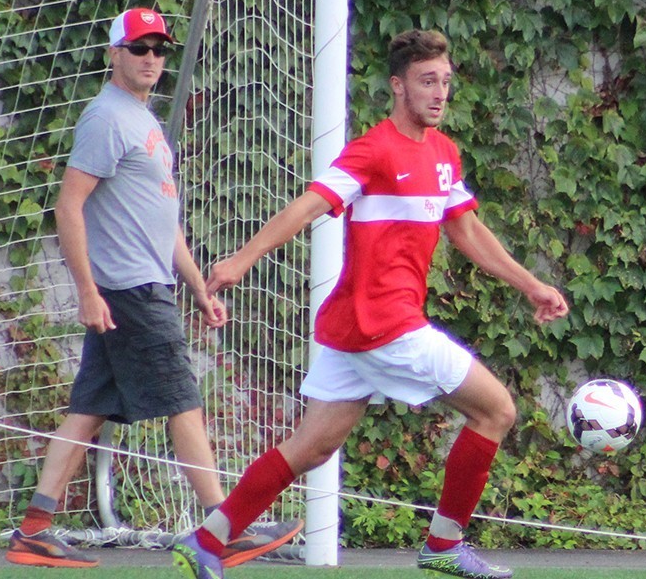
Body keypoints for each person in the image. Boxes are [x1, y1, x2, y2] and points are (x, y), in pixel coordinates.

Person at [170, 29, 568, 579]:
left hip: (351, 329)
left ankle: (207, 543)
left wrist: (531, 285)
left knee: (311, 448)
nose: (440, 93)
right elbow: (308, 207)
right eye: (428, 81)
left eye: (446, 82)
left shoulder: (444, 154)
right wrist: (241, 260)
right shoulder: (374, 150)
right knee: (497, 410)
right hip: (386, 326)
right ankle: (445, 545)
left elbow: (468, 232)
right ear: (398, 86)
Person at [5, 8, 302, 569]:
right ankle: (224, 526)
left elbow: (162, 225)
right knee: (183, 402)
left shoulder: (144, 122)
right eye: (139, 47)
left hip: (147, 286)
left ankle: (34, 529)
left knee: (89, 409)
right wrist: (88, 291)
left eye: (159, 49)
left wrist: (197, 288)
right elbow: (68, 208)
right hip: (131, 292)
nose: (151, 58)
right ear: (113, 53)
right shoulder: (106, 118)